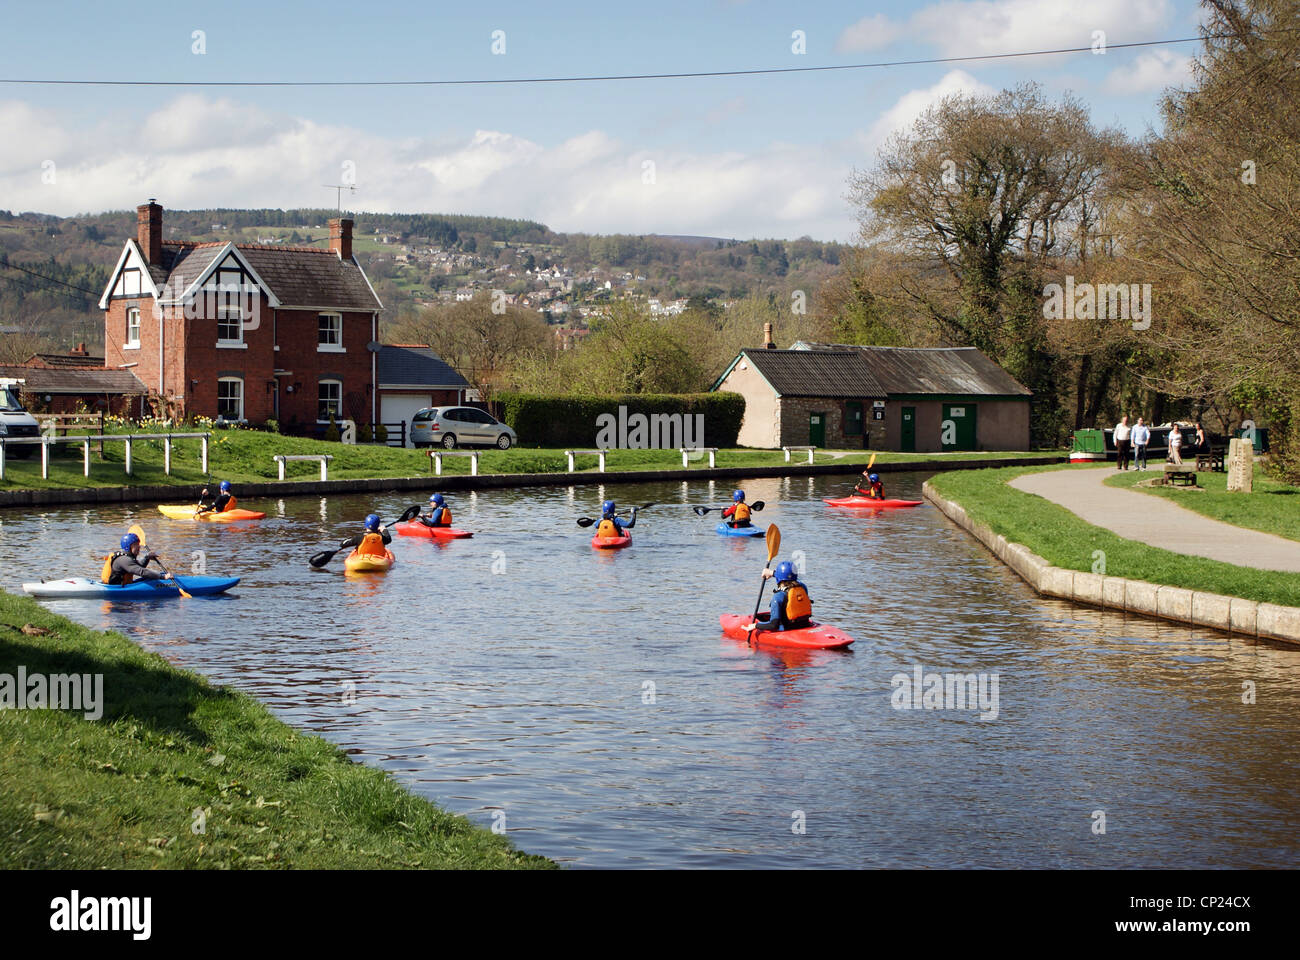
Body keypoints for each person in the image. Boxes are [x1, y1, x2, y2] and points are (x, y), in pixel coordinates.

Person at [748, 560, 813, 633]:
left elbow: (773, 625)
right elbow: (791, 578)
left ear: (778, 578)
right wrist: (772, 573)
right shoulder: (803, 587)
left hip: (787, 630)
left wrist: (755, 626)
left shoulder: (778, 597)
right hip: (805, 625)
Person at [101, 532, 165, 585]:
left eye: (138, 544)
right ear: (129, 546)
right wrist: (163, 577)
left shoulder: (128, 558)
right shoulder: (124, 560)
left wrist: (147, 558)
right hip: (115, 590)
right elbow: (141, 572)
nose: (139, 547)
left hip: (121, 586)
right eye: (136, 544)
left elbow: (139, 566)